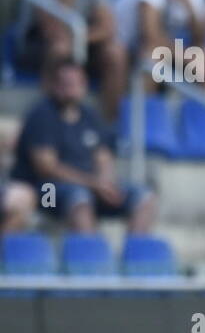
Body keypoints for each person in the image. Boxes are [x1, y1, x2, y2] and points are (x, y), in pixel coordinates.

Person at [9, 60, 157, 233]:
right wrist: (93, 184)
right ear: (55, 86)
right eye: (65, 84)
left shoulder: (90, 116)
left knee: (144, 197)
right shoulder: (42, 115)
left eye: (76, 83)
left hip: (90, 185)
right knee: (80, 199)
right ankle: (89, 257)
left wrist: (105, 183)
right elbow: (46, 168)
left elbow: (103, 156)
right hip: (46, 191)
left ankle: (135, 256)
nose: (71, 89)